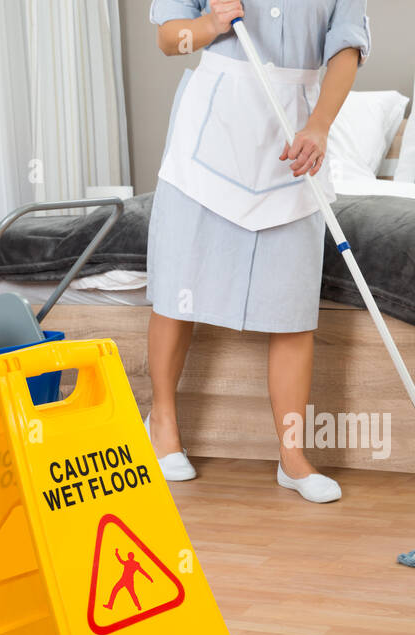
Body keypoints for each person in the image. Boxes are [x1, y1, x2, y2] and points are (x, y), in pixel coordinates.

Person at [146, 0, 370, 503]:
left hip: (293, 140)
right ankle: (161, 426)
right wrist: (210, 23)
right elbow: (168, 39)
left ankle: (293, 458)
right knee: (176, 291)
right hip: (208, 141)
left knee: (291, 310)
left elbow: (347, 47)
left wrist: (320, 124)